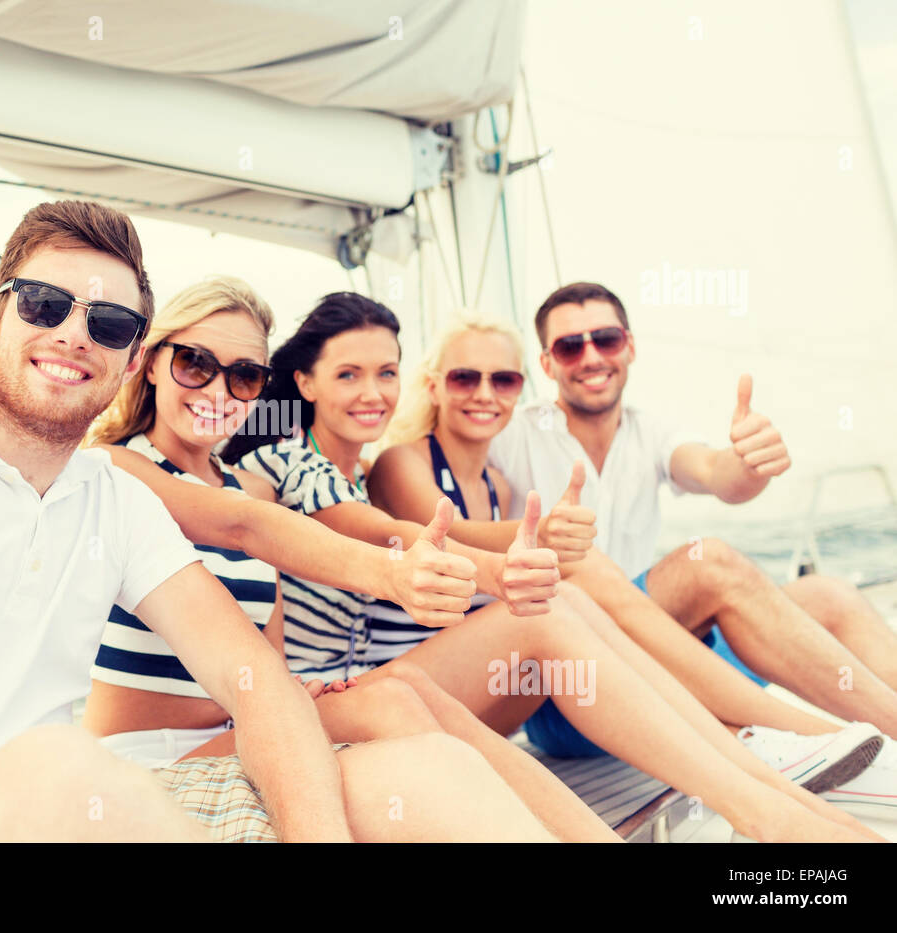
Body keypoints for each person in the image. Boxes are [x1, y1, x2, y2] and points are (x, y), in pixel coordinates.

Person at [0, 200, 537, 844]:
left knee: (426, 776)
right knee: (57, 771)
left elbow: (256, 681)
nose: (76, 332)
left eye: (109, 322)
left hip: (88, 809)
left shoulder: (113, 499)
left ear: (126, 362)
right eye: (45, 304)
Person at [214, 291, 878, 842]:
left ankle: (760, 763)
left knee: (584, 588)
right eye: (349, 374)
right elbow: (388, 535)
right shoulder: (294, 464)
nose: (373, 391)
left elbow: (714, 474)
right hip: (354, 694)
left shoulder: (366, 470)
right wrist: (522, 552)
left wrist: (742, 469)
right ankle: (769, 763)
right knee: (567, 586)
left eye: (385, 372)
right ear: (302, 381)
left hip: (427, 686)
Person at [85, 275, 624, 841]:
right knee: (392, 702)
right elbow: (242, 527)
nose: (219, 391)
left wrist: (298, 692)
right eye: (195, 364)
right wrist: (412, 573)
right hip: (144, 761)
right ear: (148, 363)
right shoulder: (117, 470)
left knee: (401, 693)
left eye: (244, 376)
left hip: (245, 737)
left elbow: (266, 654)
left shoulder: (253, 487)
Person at [368, 313, 891, 806]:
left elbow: (716, 473)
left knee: (827, 593)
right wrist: (542, 533)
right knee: (664, 565)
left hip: (634, 652)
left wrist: (751, 465)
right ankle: (784, 731)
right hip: (547, 687)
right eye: (464, 378)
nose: (485, 394)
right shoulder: (419, 460)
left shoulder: (502, 477)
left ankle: (865, 728)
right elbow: (451, 535)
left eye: (503, 380)